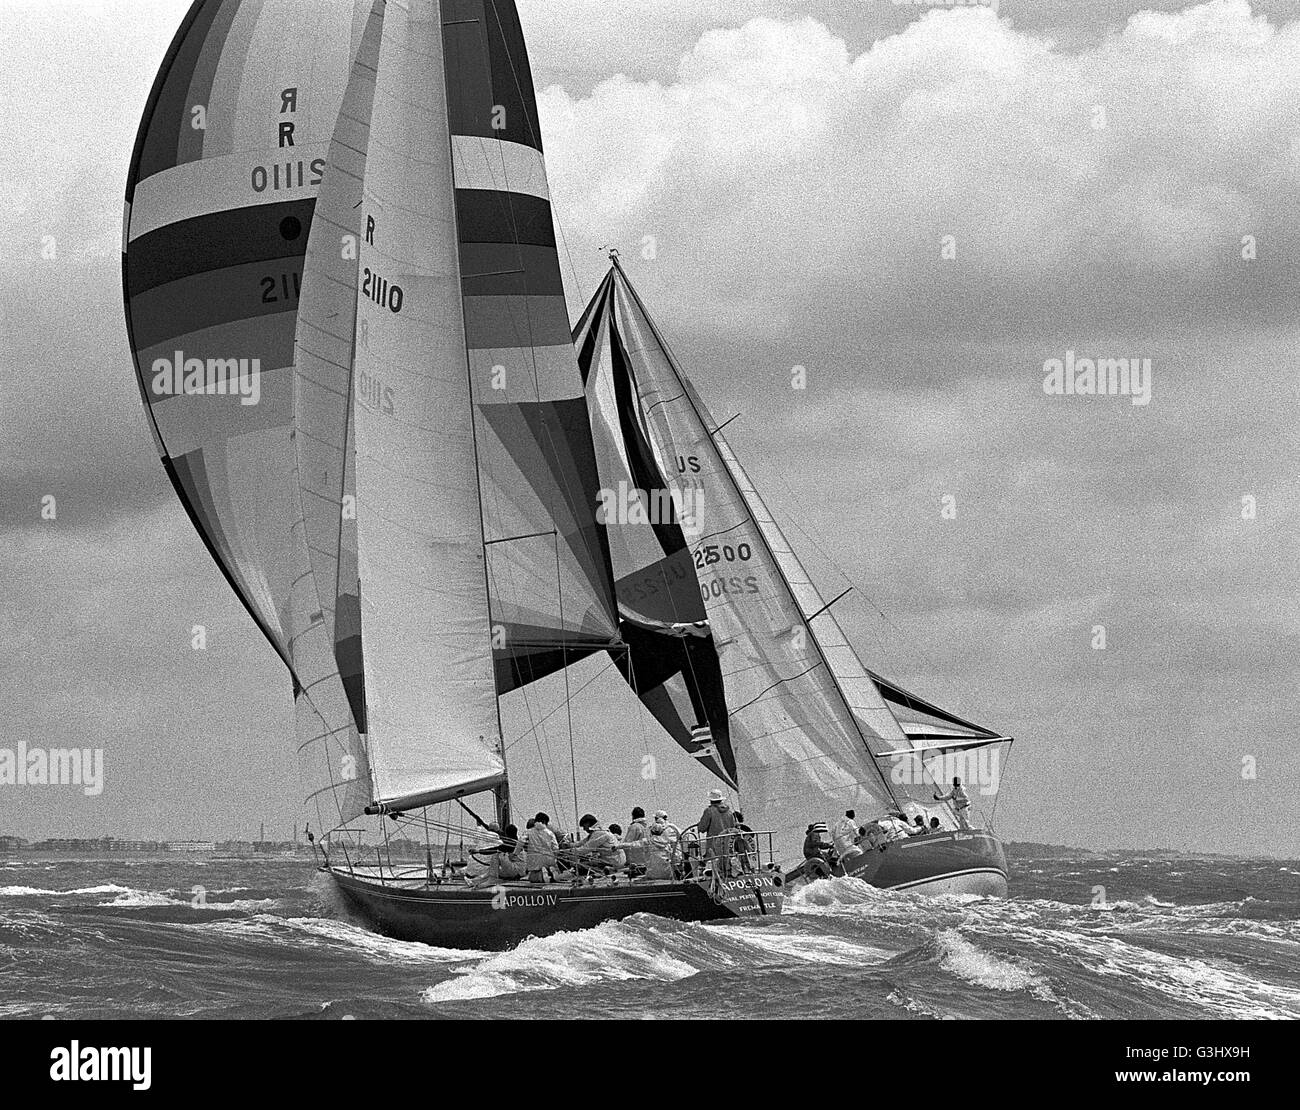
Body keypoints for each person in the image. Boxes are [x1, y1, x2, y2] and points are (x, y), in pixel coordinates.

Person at [696, 789, 737, 878]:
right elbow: (733, 828)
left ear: (710, 800)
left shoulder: (709, 811)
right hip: (728, 844)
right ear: (721, 799)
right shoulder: (729, 812)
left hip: (713, 844)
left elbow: (702, 828)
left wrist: (699, 825)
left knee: (713, 863)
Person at [525, 812, 559, 883]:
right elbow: (555, 847)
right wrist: (555, 857)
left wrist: (515, 853)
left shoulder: (529, 832)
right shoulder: (549, 832)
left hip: (535, 862)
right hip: (549, 859)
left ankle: (541, 875)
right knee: (555, 874)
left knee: (532, 878)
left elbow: (521, 842)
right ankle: (550, 871)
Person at [644, 812, 680, 880]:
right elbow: (677, 849)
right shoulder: (672, 829)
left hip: (652, 872)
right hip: (667, 871)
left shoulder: (650, 838)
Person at [623, 807, 651, 873]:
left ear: (633, 816)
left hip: (635, 862)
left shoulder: (634, 827)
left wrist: (627, 861)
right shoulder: (646, 828)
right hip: (646, 862)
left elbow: (627, 844)